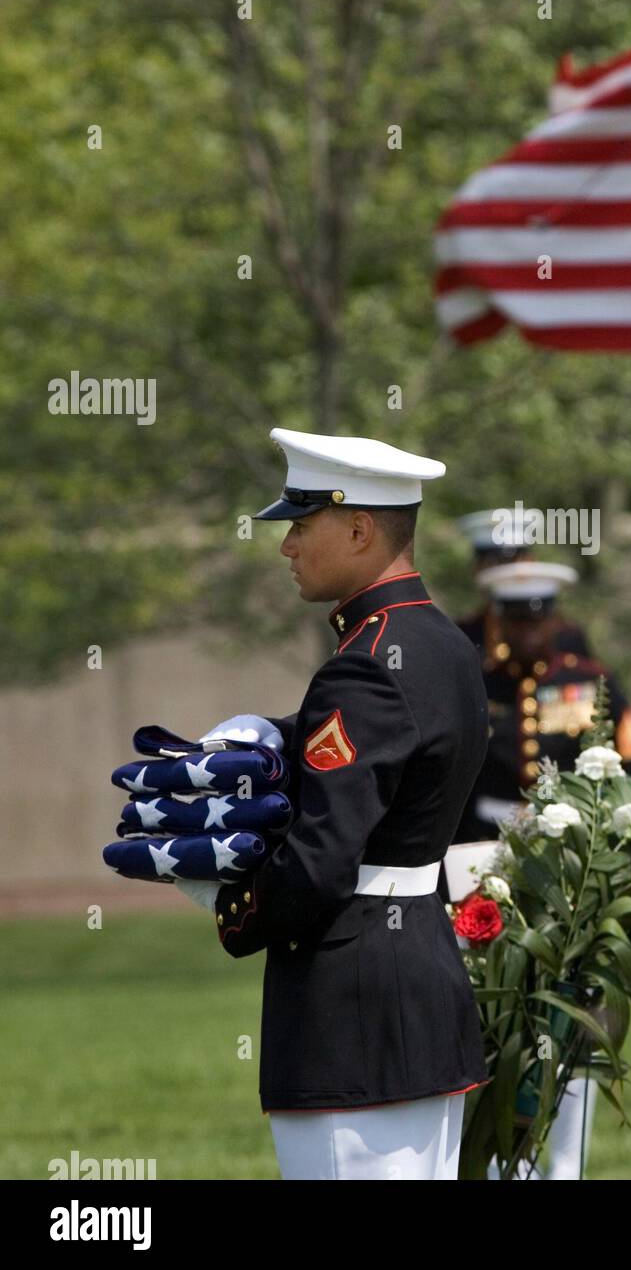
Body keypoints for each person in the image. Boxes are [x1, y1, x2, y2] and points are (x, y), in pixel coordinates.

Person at [179, 427, 490, 1180]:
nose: (287, 545)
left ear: (358, 529)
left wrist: (229, 898)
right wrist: (280, 737)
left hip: (354, 1005)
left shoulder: (365, 668)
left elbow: (319, 866)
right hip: (416, 980)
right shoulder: (442, 643)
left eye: (301, 522)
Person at [454, 559, 631, 1179]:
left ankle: (568, 1164)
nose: (527, 632)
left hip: (572, 870)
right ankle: (512, 1159)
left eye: (537, 620)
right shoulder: (475, 684)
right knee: (499, 1010)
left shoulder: (592, 684)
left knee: (574, 1011)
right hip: (487, 863)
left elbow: (624, 779)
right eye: (513, 620)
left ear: (556, 619)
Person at [454, 508, 591, 657]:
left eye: (508, 561)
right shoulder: (464, 633)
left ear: (530, 562)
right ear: (475, 569)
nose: (499, 572)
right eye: (490, 563)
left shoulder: (565, 635)